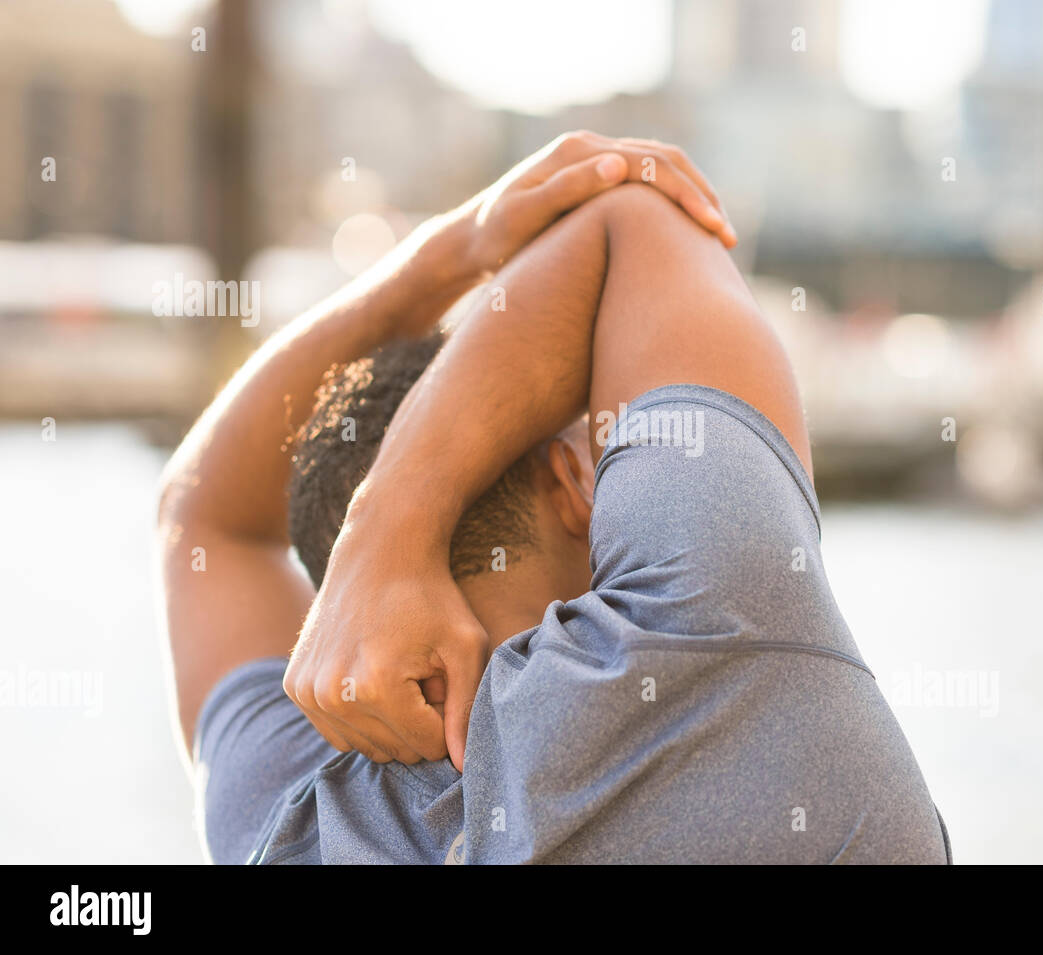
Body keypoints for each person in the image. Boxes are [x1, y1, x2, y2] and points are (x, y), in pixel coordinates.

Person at [157, 131, 951, 864]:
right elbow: (632, 218)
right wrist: (388, 525)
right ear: (576, 480)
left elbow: (204, 515)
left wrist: (438, 259)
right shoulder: (711, 628)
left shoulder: (289, 810)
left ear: (334, 605)